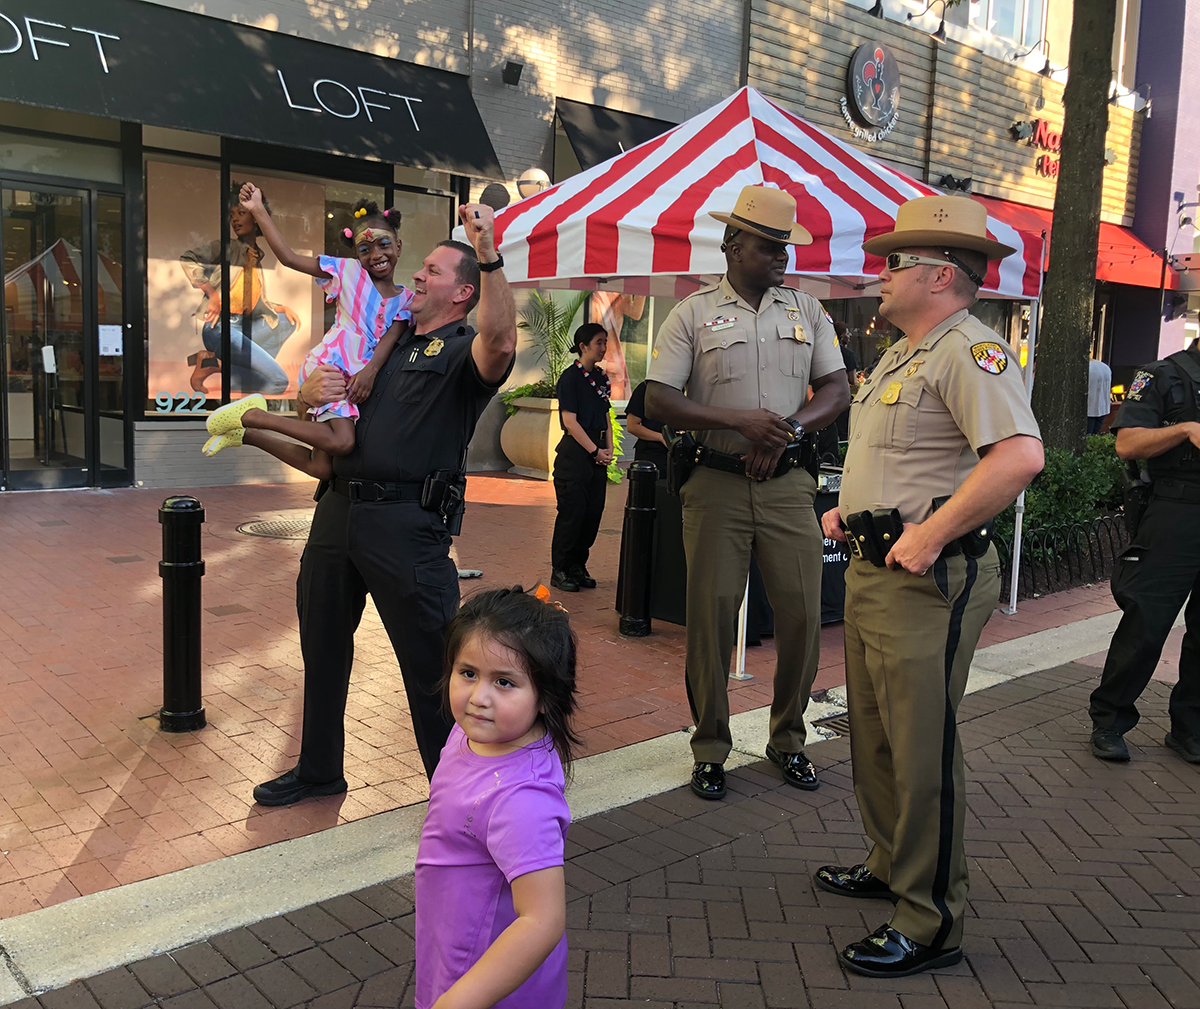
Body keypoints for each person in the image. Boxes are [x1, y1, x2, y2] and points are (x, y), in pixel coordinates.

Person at [818, 195, 1043, 978]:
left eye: (894, 263)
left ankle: (931, 917)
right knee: (876, 734)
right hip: (879, 571)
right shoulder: (906, 350)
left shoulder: (969, 351)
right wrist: (850, 510)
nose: (879, 275)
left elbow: (1018, 457)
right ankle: (891, 864)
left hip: (929, 579)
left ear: (941, 275)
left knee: (922, 750)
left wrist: (931, 530)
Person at [251, 203, 517, 805]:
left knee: (431, 669)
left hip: (408, 526)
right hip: (338, 509)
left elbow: (502, 339)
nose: (416, 276)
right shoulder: (384, 342)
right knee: (321, 648)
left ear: (462, 293)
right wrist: (302, 401)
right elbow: (325, 415)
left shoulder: (462, 350)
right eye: (418, 268)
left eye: (431, 270)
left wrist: (488, 248)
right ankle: (319, 769)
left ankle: (457, 798)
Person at [645, 185, 851, 800]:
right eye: (768, 246)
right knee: (709, 619)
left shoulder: (807, 311)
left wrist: (785, 429)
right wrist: (739, 422)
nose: (780, 257)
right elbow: (657, 399)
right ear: (734, 245)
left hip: (789, 486)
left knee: (803, 618)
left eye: (784, 247)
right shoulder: (691, 312)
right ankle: (710, 746)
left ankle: (788, 738)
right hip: (716, 485)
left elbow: (837, 391)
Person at [415, 586, 578, 1009]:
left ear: (546, 697)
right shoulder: (470, 733)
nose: (479, 697)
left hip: (489, 982)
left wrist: (457, 1003)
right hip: (455, 942)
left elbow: (542, 920)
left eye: (504, 682)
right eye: (468, 672)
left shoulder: (521, 800)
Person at [201, 188, 413, 476]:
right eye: (365, 249)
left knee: (322, 468)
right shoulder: (348, 272)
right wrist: (258, 210)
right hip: (332, 369)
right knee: (342, 441)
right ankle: (255, 416)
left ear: (398, 246)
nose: (376, 254)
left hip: (358, 378)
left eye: (384, 244)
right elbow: (288, 258)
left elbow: (391, 337)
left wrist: (370, 371)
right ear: (356, 254)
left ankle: (246, 435)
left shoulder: (408, 300)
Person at [1088, 338, 1199, 765]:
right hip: (1177, 509)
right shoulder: (1163, 375)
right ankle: (1110, 720)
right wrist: (1186, 429)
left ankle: (1190, 728)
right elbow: (1127, 445)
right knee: (1146, 623)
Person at [179, 183, 299, 395]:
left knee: (284, 322)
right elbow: (187, 259)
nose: (234, 219)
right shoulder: (227, 247)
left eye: (241, 213)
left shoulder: (255, 258)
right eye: (232, 215)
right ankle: (217, 365)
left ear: (256, 218)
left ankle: (213, 362)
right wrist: (212, 294)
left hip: (244, 326)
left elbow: (252, 299)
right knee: (278, 382)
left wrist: (279, 308)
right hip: (220, 328)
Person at [550, 323, 613, 593]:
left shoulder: (600, 377)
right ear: (583, 346)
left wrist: (608, 449)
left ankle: (578, 565)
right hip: (576, 455)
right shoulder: (570, 378)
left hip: (597, 454)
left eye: (605, 342)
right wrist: (594, 451)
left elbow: (606, 416)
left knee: (592, 514)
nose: (603, 348)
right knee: (572, 514)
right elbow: (570, 422)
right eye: (598, 342)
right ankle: (561, 568)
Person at [625, 379, 668, 475]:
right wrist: (662, 438)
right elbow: (632, 426)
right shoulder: (645, 388)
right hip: (652, 454)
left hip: (677, 456)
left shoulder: (683, 391)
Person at [1087, 357, 1113, 435]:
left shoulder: (1087, 368)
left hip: (1089, 409)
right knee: (1095, 436)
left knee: (1087, 437)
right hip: (1103, 408)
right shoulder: (1105, 367)